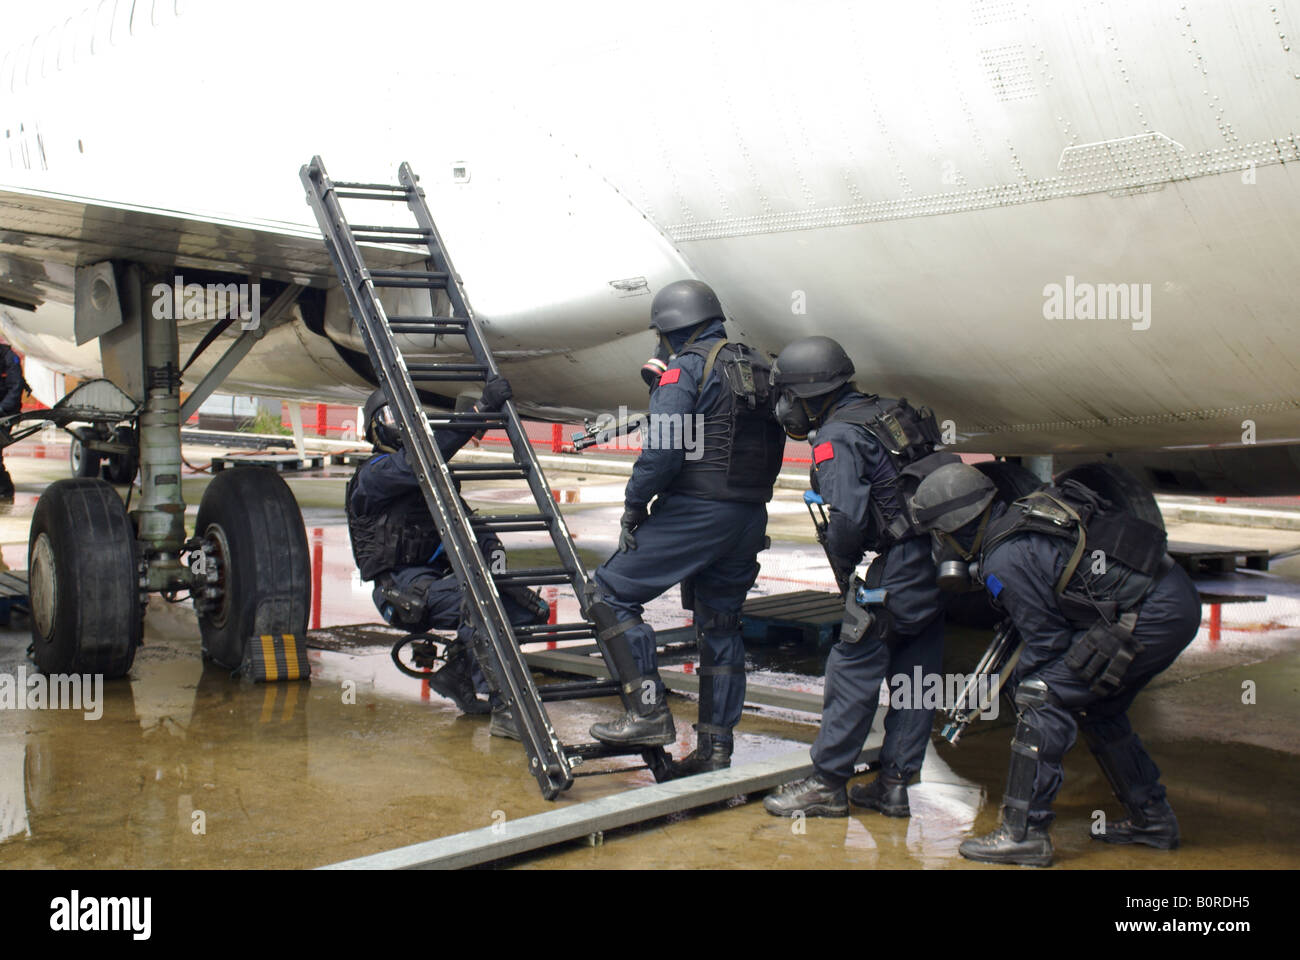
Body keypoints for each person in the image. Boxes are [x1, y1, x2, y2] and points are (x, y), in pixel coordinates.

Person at [909, 462, 1199, 866]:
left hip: (1150, 614)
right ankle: (1151, 820)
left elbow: (1048, 645)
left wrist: (1022, 688)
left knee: (1042, 696)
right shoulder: (1017, 519)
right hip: (1168, 596)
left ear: (956, 527)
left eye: (939, 535)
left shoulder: (1003, 559)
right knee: (1099, 705)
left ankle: (1024, 834)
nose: (939, 546)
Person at [588, 279, 785, 774]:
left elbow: (662, 453)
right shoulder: (760, 368)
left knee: (609, 593)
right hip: (747, 513)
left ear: (674, 328)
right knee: (720, 626)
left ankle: (647, 712)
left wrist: (635, 506)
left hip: (698, 511)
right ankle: (716, 749)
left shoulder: (685, 370)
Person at [762, 336, 949, 819]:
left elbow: (845, 520)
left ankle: (827, 784)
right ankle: (894, 786)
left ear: (810, 392)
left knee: (853, 663)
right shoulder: (890, 411)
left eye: (788, 396)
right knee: (916, 671)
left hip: (900, 561)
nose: (785, 407)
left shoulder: (837, 437)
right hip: (940, 553)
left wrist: (849, 565)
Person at [346, 375, 548, 738]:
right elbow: (415, 465)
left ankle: (458, 674)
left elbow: (472, 527)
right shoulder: (374, 476)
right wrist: (480, 412)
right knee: (480, 600)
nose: (402, 426)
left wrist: (496, 565)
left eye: (406, 417)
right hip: (401, 588)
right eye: (392, 417)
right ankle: (503, 704)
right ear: (375, 428)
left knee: (526, 608)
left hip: (439, 581)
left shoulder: (433, 479)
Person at [0, 340, 25, 500]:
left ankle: (5, 491)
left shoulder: (8, 357)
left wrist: (2, 409)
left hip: (5, 413)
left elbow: (16, 388)